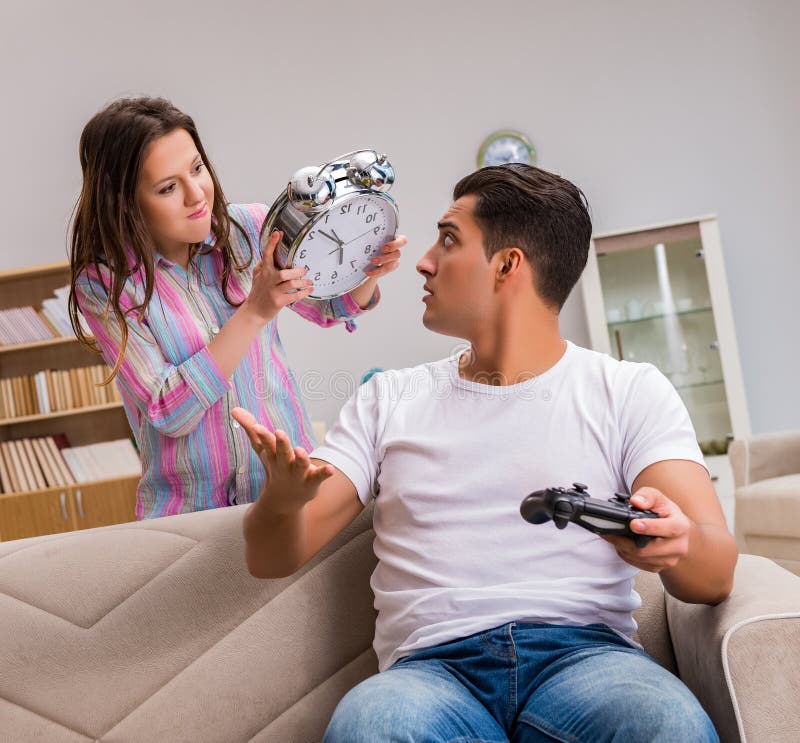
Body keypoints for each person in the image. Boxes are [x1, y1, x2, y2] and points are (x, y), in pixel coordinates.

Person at [232, 163, 736, 742]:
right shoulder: (387, 399)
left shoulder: (628, 391)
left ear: (506, 266)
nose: (423, 262)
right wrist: (280, 502)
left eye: (448, 240)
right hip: (431, 675)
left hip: (587, 660)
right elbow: (269, 558)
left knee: (668, 724)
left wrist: (679, 543)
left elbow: (716, 575)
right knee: (371, 727)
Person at [68, 96, 406, 519]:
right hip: (191, 515)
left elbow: (328, 308)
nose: (197, 195)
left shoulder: (250, 229)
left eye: (197, 169)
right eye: (168, 187)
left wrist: (369, 269)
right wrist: (254, 312)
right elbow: (168, 411)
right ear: (124, 200)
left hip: (288, 494)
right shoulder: (106, 284)